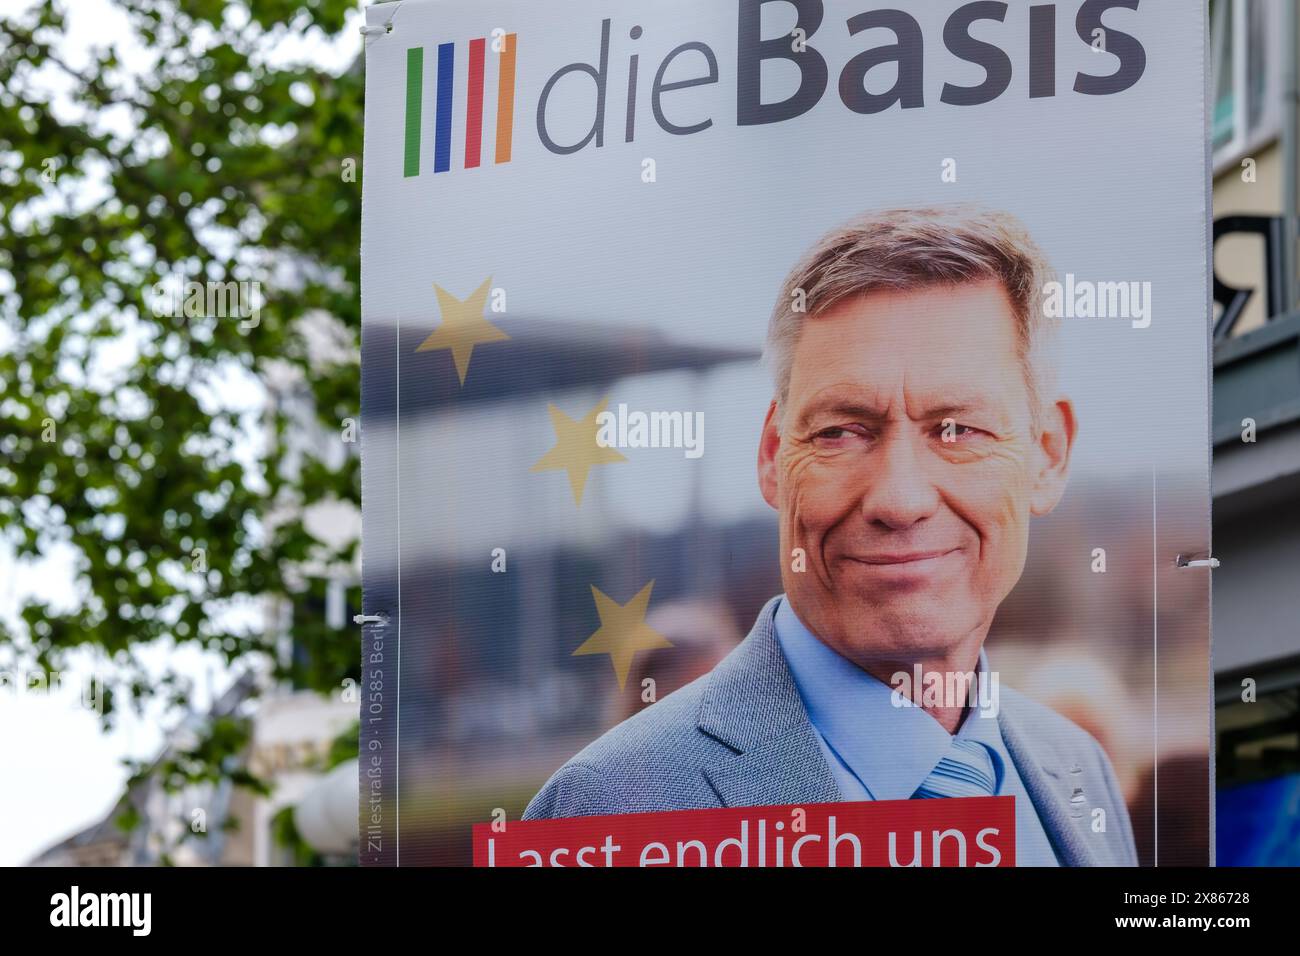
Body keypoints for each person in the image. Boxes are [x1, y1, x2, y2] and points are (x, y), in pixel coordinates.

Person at [524, 205, 1137, 866]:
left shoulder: (1080, 773)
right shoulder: (603, 814)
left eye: (957, 429)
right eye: (841, 432)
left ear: (1048, 455)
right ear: (771, 455)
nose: (899, 499)